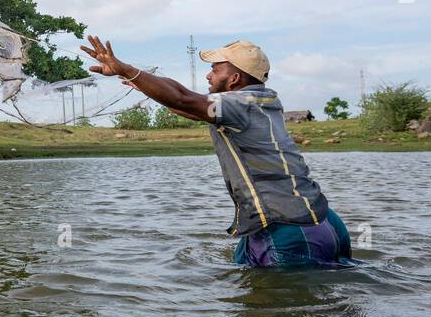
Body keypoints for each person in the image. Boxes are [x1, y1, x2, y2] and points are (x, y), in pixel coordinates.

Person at [81, 36, 354, 268]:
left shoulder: (240, 105)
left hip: (289, 230)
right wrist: (144, 85)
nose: (208, 75)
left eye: (215, 69)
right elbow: (185, 104)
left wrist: (127, 70)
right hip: (323, 220)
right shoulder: (264, 100)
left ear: (234, 78)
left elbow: (182, 98)